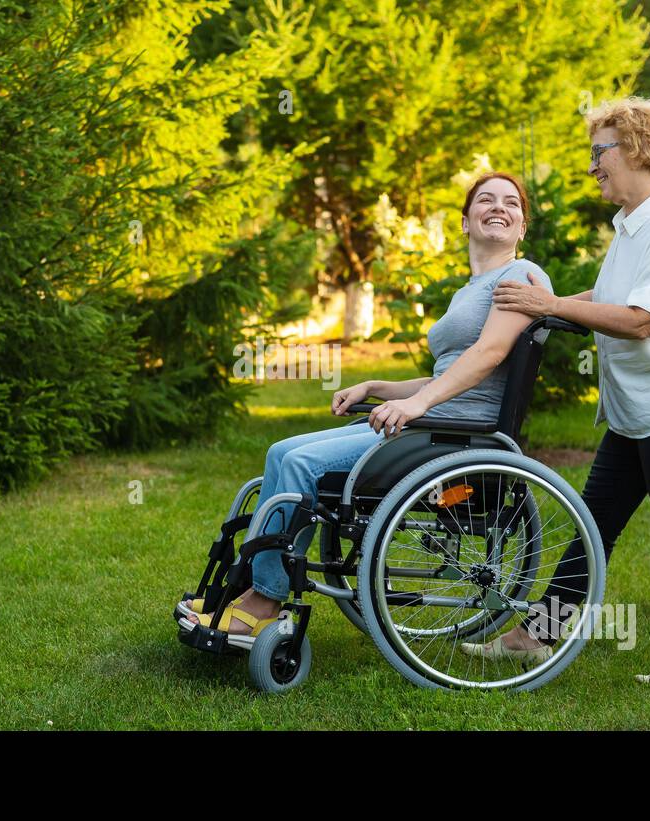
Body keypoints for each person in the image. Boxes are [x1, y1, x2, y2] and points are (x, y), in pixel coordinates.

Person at [179, 171, 554, 638]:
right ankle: (246, 588)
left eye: (511, 203)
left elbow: (489, 355)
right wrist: (375, 385)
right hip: (434, 418)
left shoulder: (521, 275)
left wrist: (416, 406)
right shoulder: (470, 289)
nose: (499, 207)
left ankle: (264, 601)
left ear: (522, 227)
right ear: (464, 221)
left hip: (455, 434)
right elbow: (447, 372)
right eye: (485, 200)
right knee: (281, 453)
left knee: (302, 466)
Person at [476, 96, 650, 684]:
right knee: (594, 523)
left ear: (638, 150)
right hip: (633, 413)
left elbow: (643, 319)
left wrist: (549, 304)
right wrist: (547, 307)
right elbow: (607, 300)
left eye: (600, 152)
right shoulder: (630, 225)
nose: (593, 165)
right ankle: (534, 635)